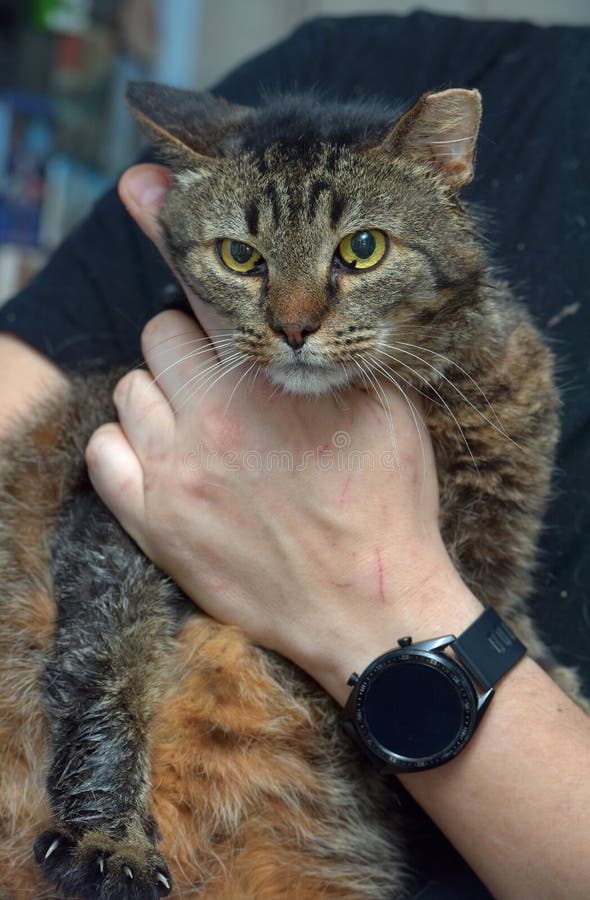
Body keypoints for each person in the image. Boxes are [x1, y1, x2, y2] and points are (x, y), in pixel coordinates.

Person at [1, 12, 589, 900]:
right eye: (245, 258)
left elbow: (490, 600)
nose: (296, 319)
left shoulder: (505, 391)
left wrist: (378, 603)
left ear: (447, 178)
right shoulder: (338, 53)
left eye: (360, 250)